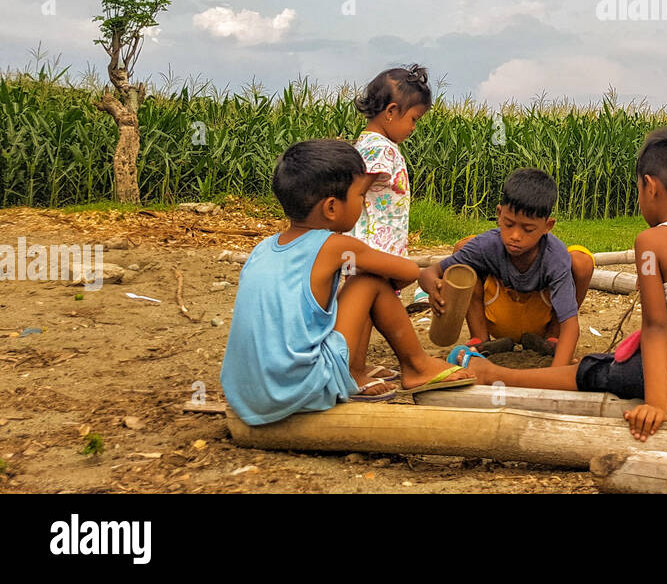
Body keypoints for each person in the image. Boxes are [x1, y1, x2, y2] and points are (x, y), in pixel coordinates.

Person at [452, 127, 667, 441]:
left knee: (601, 368)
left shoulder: (650, 242)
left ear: (649, 186)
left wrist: (656, 404)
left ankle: (498, 375)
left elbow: (656, 327)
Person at [219, 139, 473, 425]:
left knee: (352, 284)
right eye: (360, 195)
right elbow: (408, 271)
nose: (364, 203)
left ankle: (355, 371)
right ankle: (417, 365)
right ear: (331, 207)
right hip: (297, 392)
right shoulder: (336, 247)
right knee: (369, 281)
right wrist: (386, 277)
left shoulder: (262, 250)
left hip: (246, 395)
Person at [427, 169, 593, 366]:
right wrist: (434, 288)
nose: (515, 236)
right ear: (499, 214)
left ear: (548, 226)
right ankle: (480, 339)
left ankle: (552, 339)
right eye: (508, 224)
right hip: (498, 311)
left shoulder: (554, 257)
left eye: (528, 229)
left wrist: (556, 371)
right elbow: (429, 272)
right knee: (462, 255)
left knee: (581, 260)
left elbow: (571, 324)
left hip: (541, 316)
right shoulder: (487, 245)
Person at [351, 64, 432, 310]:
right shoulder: (382, 149)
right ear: (391, 111)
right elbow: (356, 191)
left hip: (369, 247)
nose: (413, 128)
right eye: (413, 119)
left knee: (373, 304)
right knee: (409, 273)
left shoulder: (366, 142)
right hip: (375, 247)